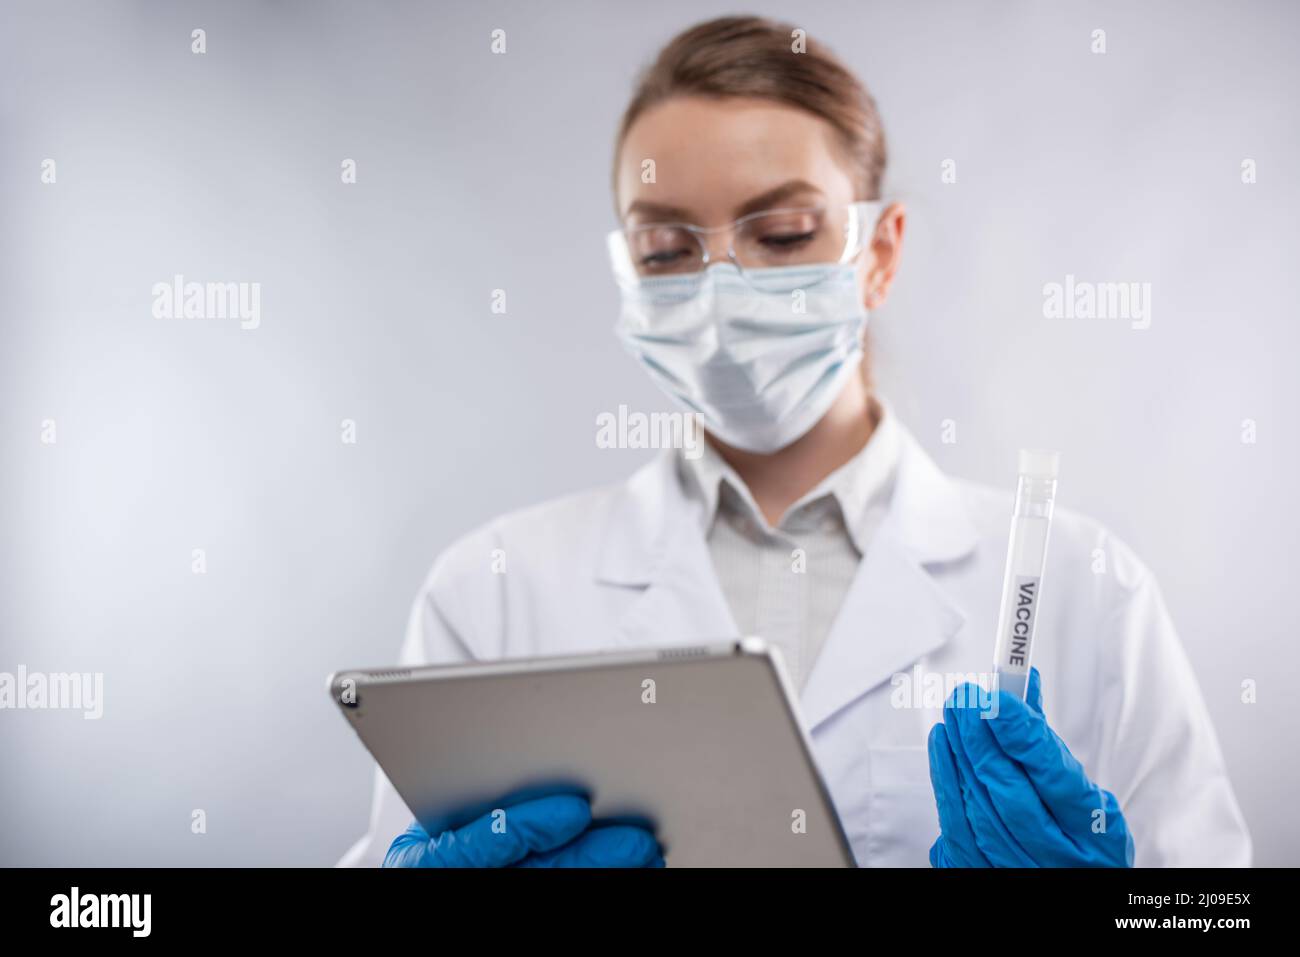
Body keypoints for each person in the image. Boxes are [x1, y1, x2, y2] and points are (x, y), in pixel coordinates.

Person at [339, 15, 1250, 868]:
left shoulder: (1092, 587)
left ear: (881, 253)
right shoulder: (492, 588)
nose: (723, 289)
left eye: (781, 233)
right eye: (666, 249)